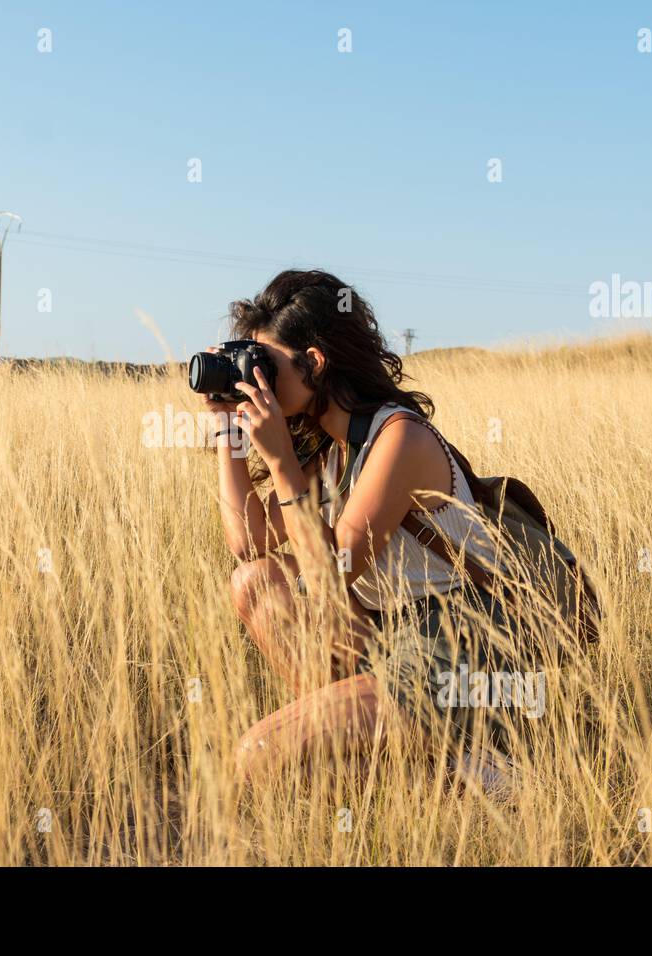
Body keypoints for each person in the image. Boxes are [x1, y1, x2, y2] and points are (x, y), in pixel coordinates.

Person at [207, 269, 538, 789]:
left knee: (256, 756)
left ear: (314, 363)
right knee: (254, 581)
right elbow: (248, 542)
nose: (259, 383)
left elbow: (328, 578)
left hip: (457, 653)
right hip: (386, 637)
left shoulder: (400, 439)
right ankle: (410, 765)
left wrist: (282, 465)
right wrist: (229, 427)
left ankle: (468, 766)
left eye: (266, 366)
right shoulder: (330, 449)